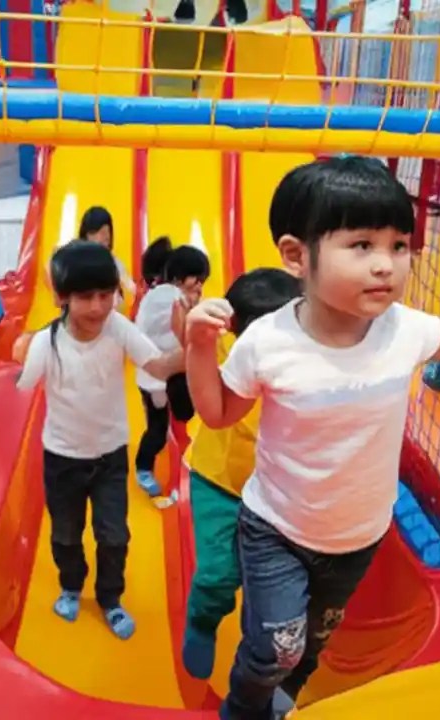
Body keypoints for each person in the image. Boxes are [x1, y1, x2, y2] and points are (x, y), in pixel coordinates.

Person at [184, 157, 440, 718]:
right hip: (276, 528)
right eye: (362, 246)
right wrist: (198, 347)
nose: (386, 266)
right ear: (298, 256)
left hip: (357, 537)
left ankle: (281, 695)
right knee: (278, 643)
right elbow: (220, 413)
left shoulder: (404, 330)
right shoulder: (269, 342)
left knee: (312, 646)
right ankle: (243, 704)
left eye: (399, 246)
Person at [15, 240, 184, 640]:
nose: (97, 307)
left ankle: (110, 597)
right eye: (85, 297)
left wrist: (192, 346)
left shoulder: (118, 328)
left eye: (106, 295)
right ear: (62, 297)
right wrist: (15, 354)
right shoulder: (48, 341)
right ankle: (72, 585)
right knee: (65, 533)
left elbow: (159, 363)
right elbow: (18, 390)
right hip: (63, 458)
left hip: (110, 456)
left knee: (114, 535)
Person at [179, 268, 301, 681]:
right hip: (218, 482)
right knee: (218, 573)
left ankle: (260, 652)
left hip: (272, 493)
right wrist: (198, 334)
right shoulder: (231, 359)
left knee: (268, 585)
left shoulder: (305, 368)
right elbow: (203, 382)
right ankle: (202, 619)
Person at [133, 237, 209, 497]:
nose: (199, 286)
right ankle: (143, 466)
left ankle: (181, 473)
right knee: (157, 430)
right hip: (156, 378)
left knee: (181, 422)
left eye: (202, 281)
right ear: (177, 277)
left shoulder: (171, 296)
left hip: (172, 374)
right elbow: (183, 328)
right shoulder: (167, 297)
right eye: (195, 279)